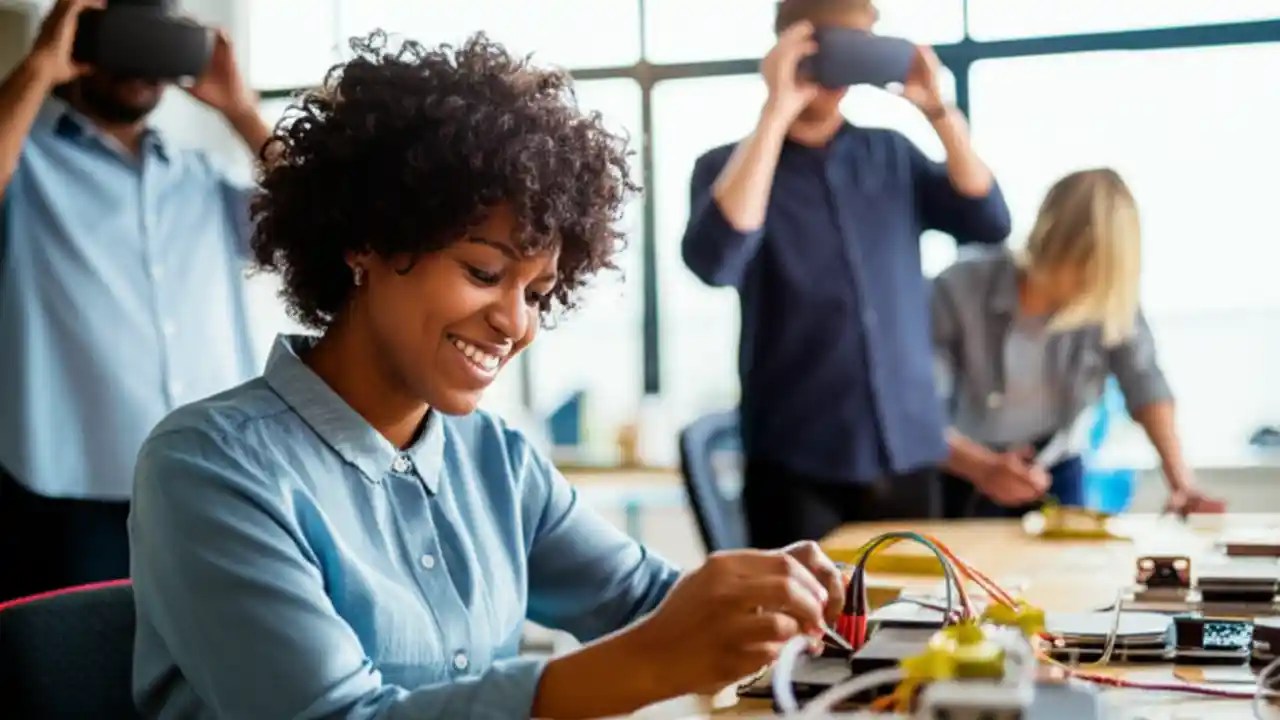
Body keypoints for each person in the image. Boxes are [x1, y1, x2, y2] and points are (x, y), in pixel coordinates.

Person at [128, 32, 848, 720]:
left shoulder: (495, 461)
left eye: (536, 293)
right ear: (365, 242)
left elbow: (646, 599)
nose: (516, 324)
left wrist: (765, 594)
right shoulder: (209, 464)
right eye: (483, 272)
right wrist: (648, 662)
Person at [681, 0, 1011, 548]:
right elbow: (717, 261)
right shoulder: (728, 166)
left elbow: (989, 220)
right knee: (805, 630)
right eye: (835, 48)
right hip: (796, 458)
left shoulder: (891, 155)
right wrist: (776, 110)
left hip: (908, 448)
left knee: (918, 620)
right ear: (794, 44)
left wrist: (937, 110)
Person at [0, 0, 269, 601]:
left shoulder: (201, 174)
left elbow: (328, 227)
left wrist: (242, 110)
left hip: (212, 481)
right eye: (123, 37)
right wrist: (40, 66)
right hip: (65, 495)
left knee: (209, 679)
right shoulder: (26, 160)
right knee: (72, 680)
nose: (141, 60)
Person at [932, 168, 1225, 518]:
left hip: (1058, 467)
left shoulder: (1112, 299)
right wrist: (983, 468)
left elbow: (1145, 384)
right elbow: (915, 412)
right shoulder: (957, 287)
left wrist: (1182, 485)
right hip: (961, 470)